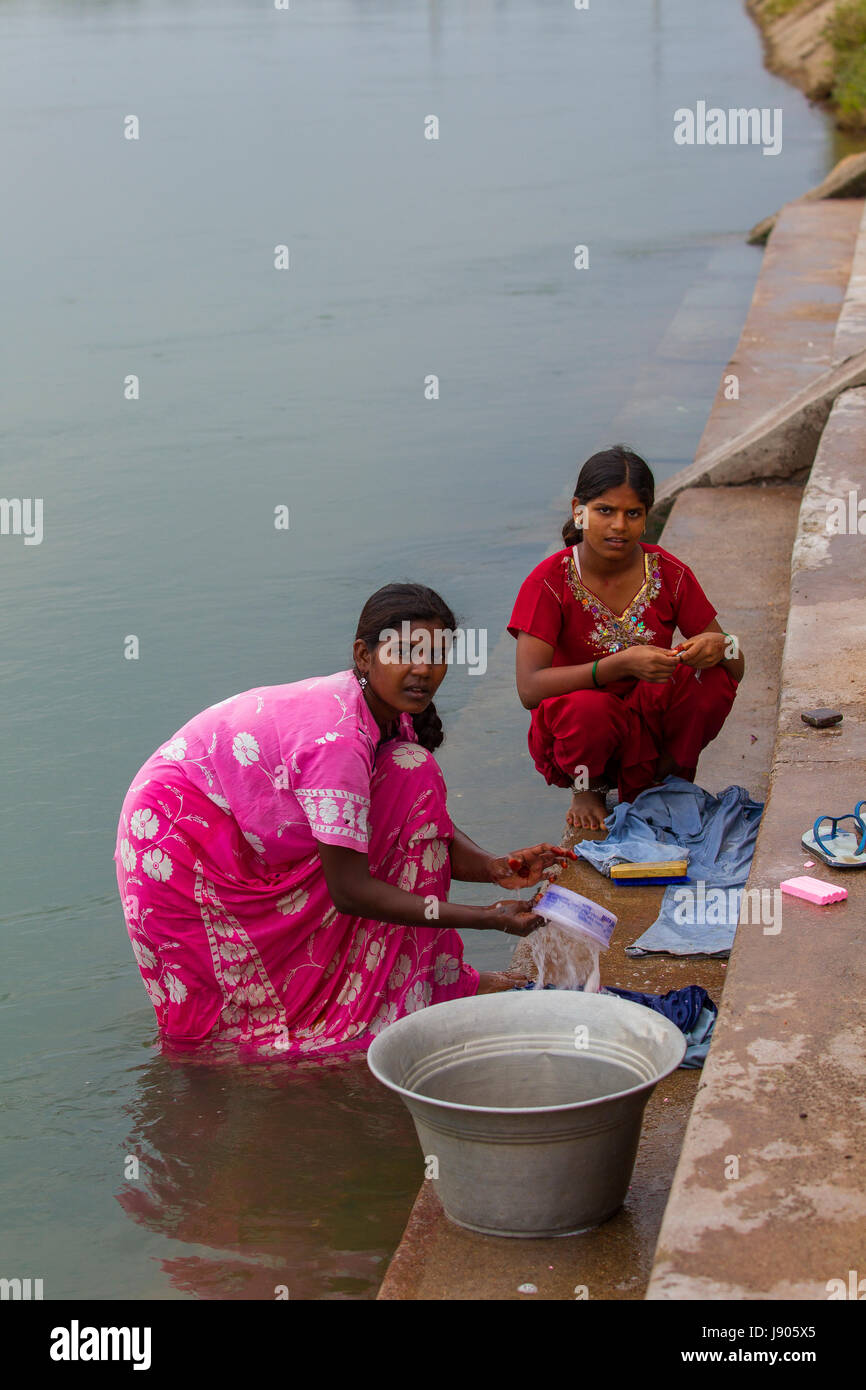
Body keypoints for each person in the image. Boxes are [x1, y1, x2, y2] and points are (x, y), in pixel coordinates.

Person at [114, 582, 566, 1059]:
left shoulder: (389, 713)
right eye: (405, 652)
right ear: (363, 656)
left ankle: (423, 984)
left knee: (412, 771)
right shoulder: (339, 741)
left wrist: (494, 867)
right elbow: (349, 892)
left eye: (437, 655)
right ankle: (268, 1057)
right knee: (225, 1022)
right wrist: (487, 918)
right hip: (177, 834)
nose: (424, 670)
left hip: (236, 821)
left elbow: (418, 824)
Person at [508, 446, 745, 830]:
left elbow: (735, 662)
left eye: (632, 513)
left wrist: (722, 646)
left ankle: (661, 780)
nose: (619, 525)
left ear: (645, 517)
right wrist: (614, 666)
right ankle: (590, 788)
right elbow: (529, 688)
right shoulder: (549, 582)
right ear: (578, 511)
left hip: (653, 722)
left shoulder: (668, 572)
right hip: (583, 731)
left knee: (712, 677)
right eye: (605, 511)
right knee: (590, 711)